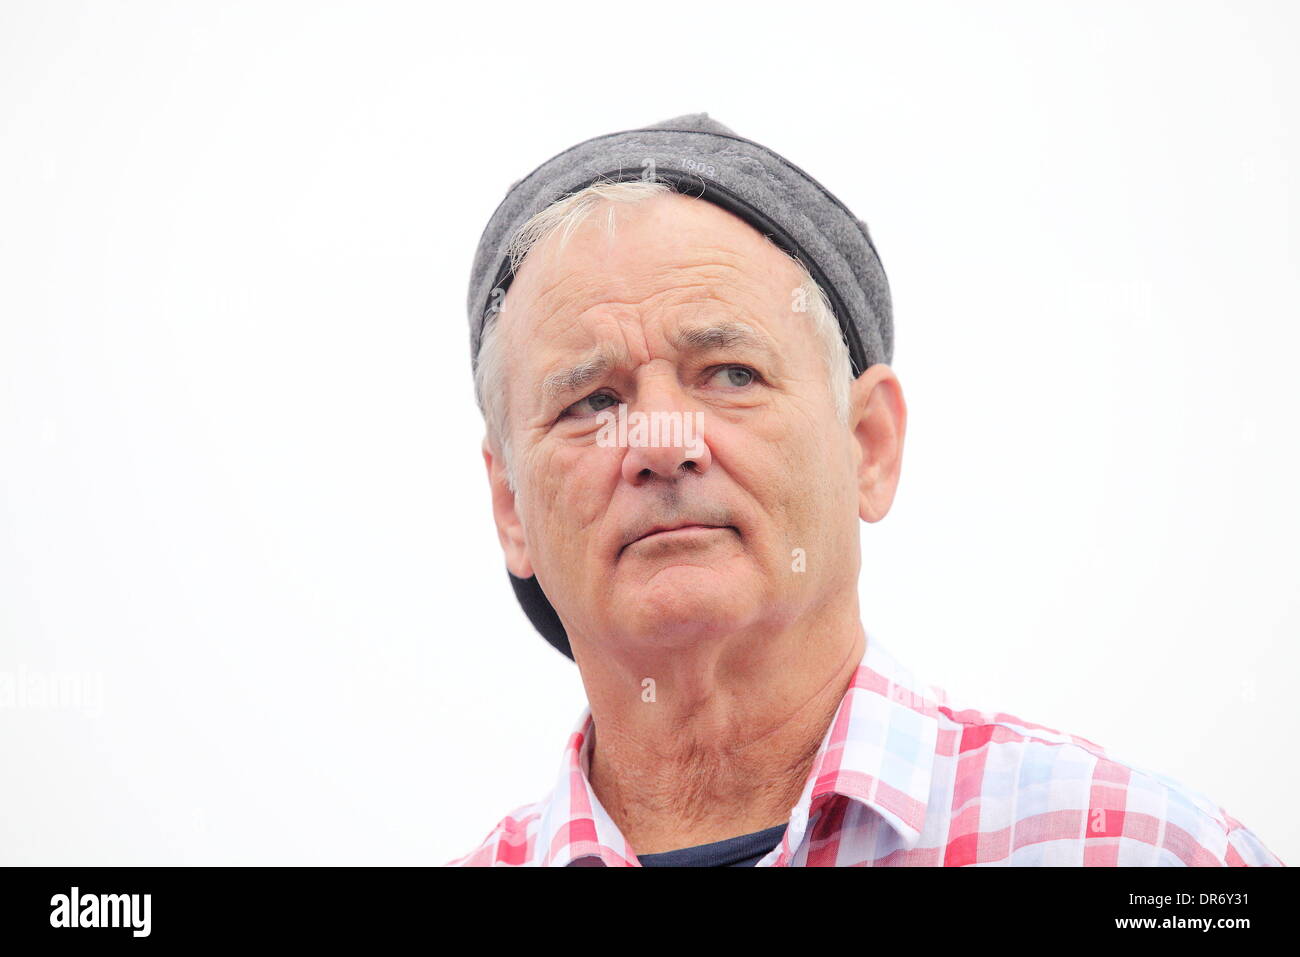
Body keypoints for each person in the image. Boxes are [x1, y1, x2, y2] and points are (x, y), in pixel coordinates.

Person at [449, 113, 1282, 866]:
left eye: (730, 373)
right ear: (511, 506)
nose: (663, 444)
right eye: (593, 401)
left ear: (868, 444)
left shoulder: (1152, 859)